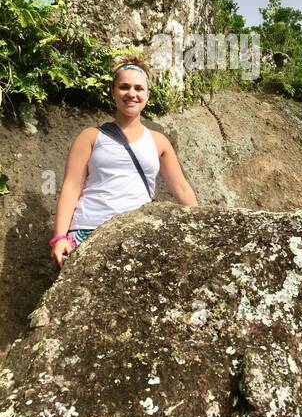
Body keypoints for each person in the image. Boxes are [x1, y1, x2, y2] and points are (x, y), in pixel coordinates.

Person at [49, 56, 198, 268]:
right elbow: (71, 187)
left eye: (139, 88)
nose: (132, 94)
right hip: (87, 230)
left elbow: (181, 189)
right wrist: (59, 237)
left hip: (137, 231)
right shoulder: (90, 137)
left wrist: (198, 226)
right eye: (124, 87)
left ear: (148, 94)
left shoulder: (159, 141)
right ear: (113, 92)